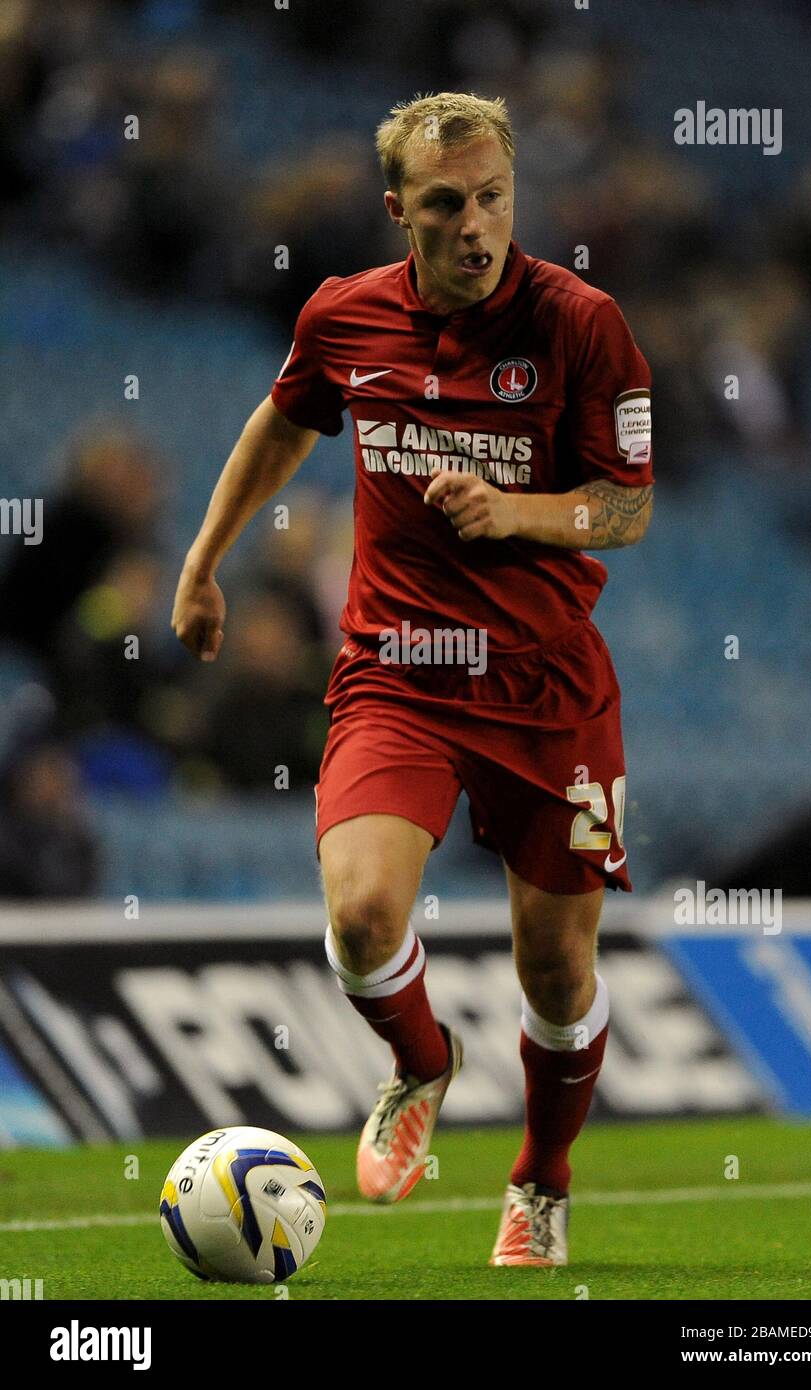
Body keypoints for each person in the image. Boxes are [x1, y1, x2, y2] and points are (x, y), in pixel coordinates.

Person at [172, 92, 654, 1267]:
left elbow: (626, 504)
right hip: (399, 673)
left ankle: (539, 1178)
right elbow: (282, 425)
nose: (477, 223)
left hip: (547, 688)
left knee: (554, 970)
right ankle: (421, 1059)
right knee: (360, 915)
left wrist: (517, 512)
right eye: (447, 203)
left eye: (493, 196)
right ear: (400, 212)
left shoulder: (582, 324)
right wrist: (203, 558)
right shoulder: (343, 317)